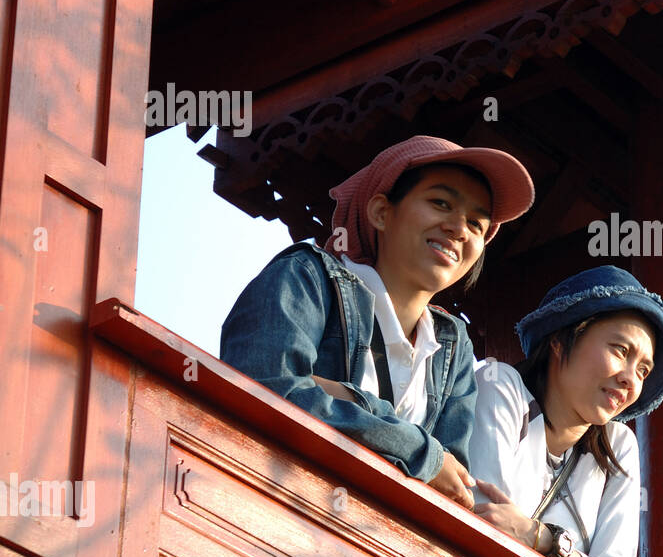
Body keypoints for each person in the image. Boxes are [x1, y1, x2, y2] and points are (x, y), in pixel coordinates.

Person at [220, 135, 534, 509]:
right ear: (381, 212)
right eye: (440, 203)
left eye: (477, 224)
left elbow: (454, 485)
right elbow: (262, 391)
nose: (459, 228)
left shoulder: (454, 344)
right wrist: (419, 449)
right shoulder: (308, 278)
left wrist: (346, 397)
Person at [468, 266, 663, 557]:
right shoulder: (501, 385)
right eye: (620, 350)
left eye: (643, 369)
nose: (631, 378)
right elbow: (486, 520)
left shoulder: (619, 445)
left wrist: (539, 538)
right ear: (559, 339)